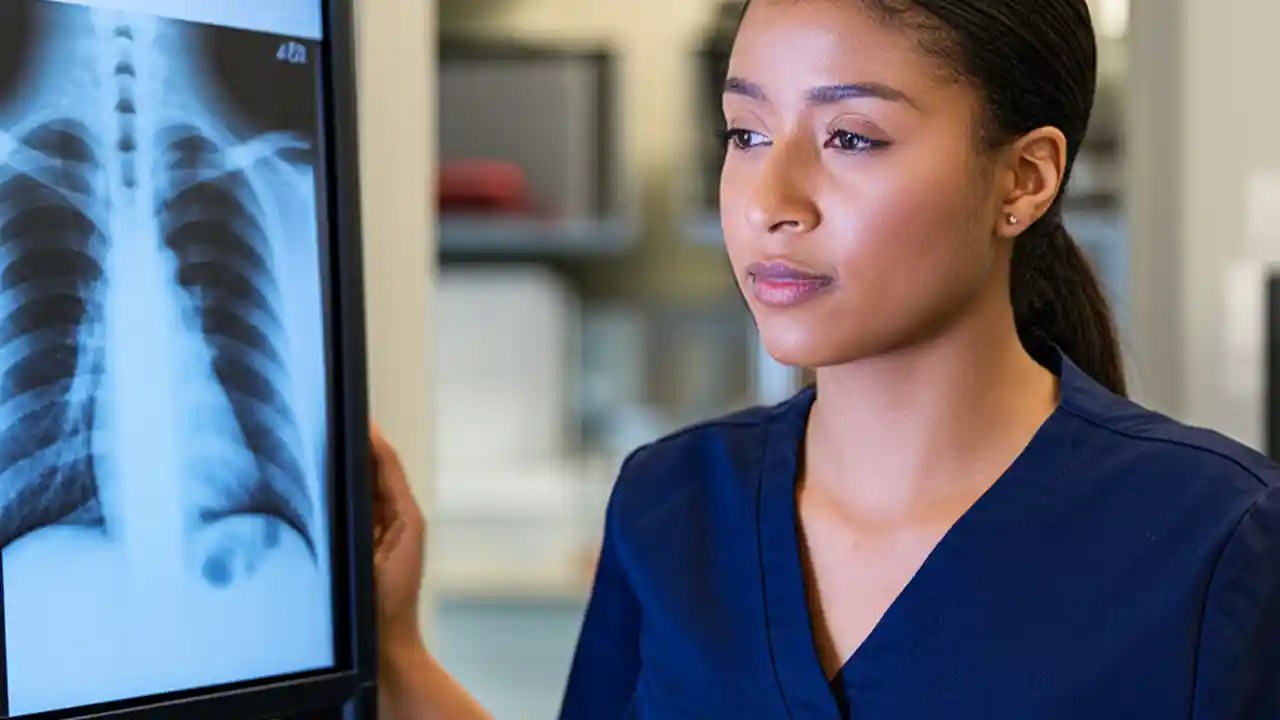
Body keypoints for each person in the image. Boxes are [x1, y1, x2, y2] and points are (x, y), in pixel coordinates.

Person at [373, 0, 1280, 717]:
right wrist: (398, 651)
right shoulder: (673, 503)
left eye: (851, 137)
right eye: (745, 134)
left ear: (1025, 178)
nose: (770, 200)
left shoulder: (1217, 537)